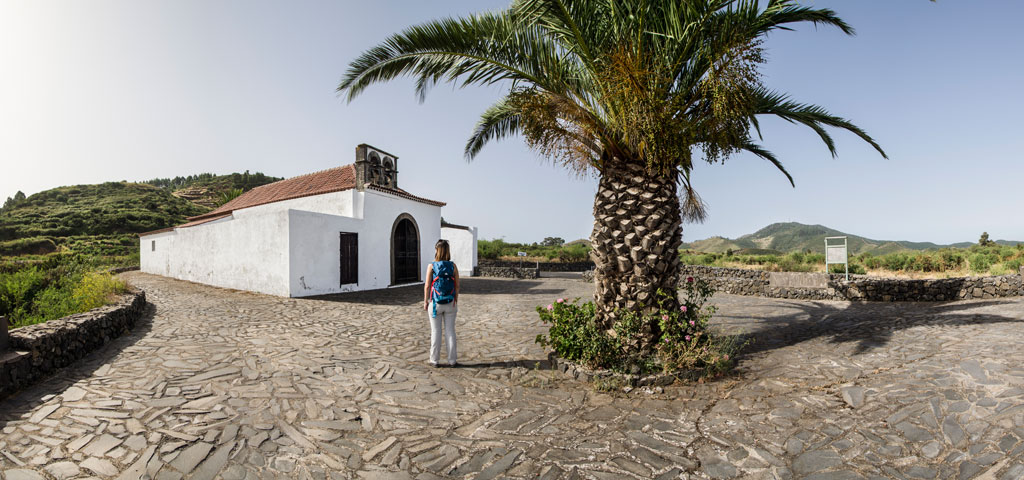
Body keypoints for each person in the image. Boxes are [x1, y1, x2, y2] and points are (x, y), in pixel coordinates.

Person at [424, 239, 459, 367]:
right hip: (450, 302)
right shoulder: (453, 266)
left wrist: (426, 301)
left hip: (435, 303)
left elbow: (427, 286)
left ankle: (434, 360)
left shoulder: (432, 266)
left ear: (437, 251)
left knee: (435, 332)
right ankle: (452, 360)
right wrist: (455, 300)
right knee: (450, 331)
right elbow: (457, 286)